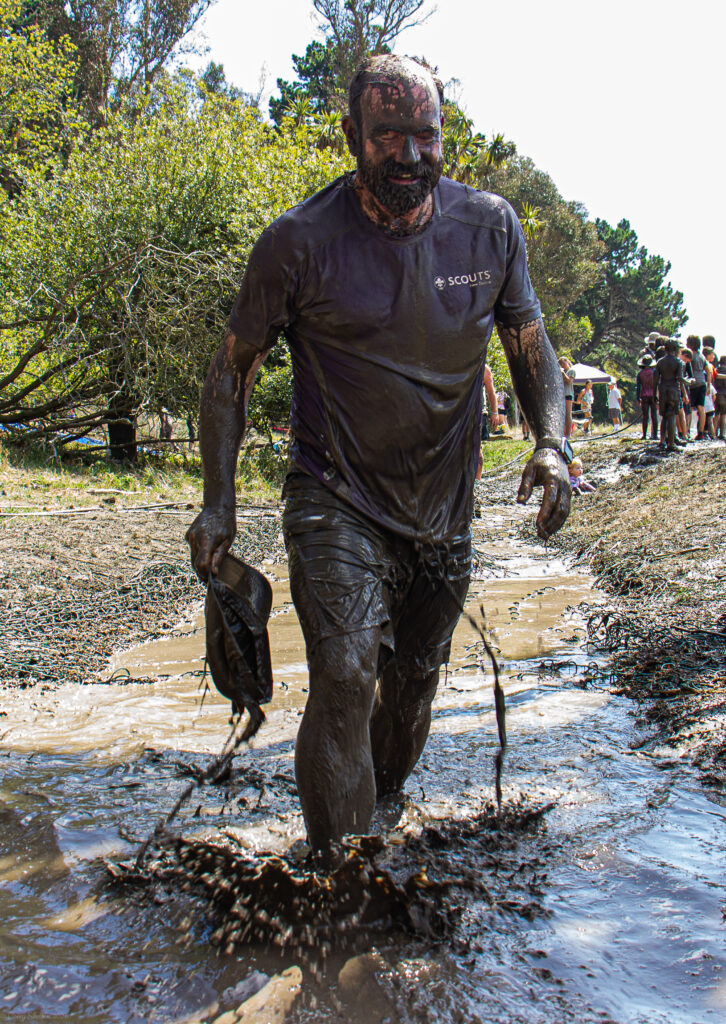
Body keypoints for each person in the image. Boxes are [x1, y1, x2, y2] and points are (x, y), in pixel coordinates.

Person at [185, 55, 571, 863]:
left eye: (425, 135)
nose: (409, 154)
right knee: (346, 671)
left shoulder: (490, 227)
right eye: (388, 134)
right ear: (353, 136)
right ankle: (337, 889)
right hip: (336, 498)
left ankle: (379, 821)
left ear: (443, 138)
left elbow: (531, 346)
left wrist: (554, 442)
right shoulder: (298, 242)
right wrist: (218, 504)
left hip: (442, 507)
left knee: (414, 685)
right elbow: (230, 376)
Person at [654, 339, 689, 450]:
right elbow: (679, 378)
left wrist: (655, 394)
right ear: (675, 349)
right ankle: (671, 443)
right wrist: (689, 382)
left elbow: (655, 380)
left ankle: (662, 441)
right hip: (674, 390)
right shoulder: (678, 362)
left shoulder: (660, 362)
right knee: (672, 416)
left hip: (663, 390)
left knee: (664, 416)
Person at [686, 335, 708, 439]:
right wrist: (708, 384)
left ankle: (687, 431)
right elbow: (708, 369)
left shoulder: (691, 356)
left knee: (689, 408)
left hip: (694, 384)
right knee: (701, 407)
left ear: (691, 344)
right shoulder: (702, 356)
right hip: (702, 383)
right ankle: (701, 432)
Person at [636, 353, 657, 440]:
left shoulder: (640, 374)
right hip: (653, 395)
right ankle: (654, 435)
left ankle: (644, 435)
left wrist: (638, 398)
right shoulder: (654, 373)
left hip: (644, 395)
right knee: (654, 415)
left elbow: (638, 387)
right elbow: (657, 385)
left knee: (645, 416)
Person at [559, 356, 575, 436]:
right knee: (562, 414)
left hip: (568, 394)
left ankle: (568, 433)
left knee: (568, 414)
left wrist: (563, 373)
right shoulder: (562, 371)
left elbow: (569, 381)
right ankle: (563, 432)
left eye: (563, 363)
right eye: (560, 364)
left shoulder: (571, 371)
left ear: (566, 361)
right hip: (561, 395)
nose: (562, 365)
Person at [714, 355, 726, 441]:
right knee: (723, 415)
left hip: (717, 394)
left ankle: (713, 433)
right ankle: (722, 434)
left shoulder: (716, 370)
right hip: (725, 394)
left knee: (716, 414)